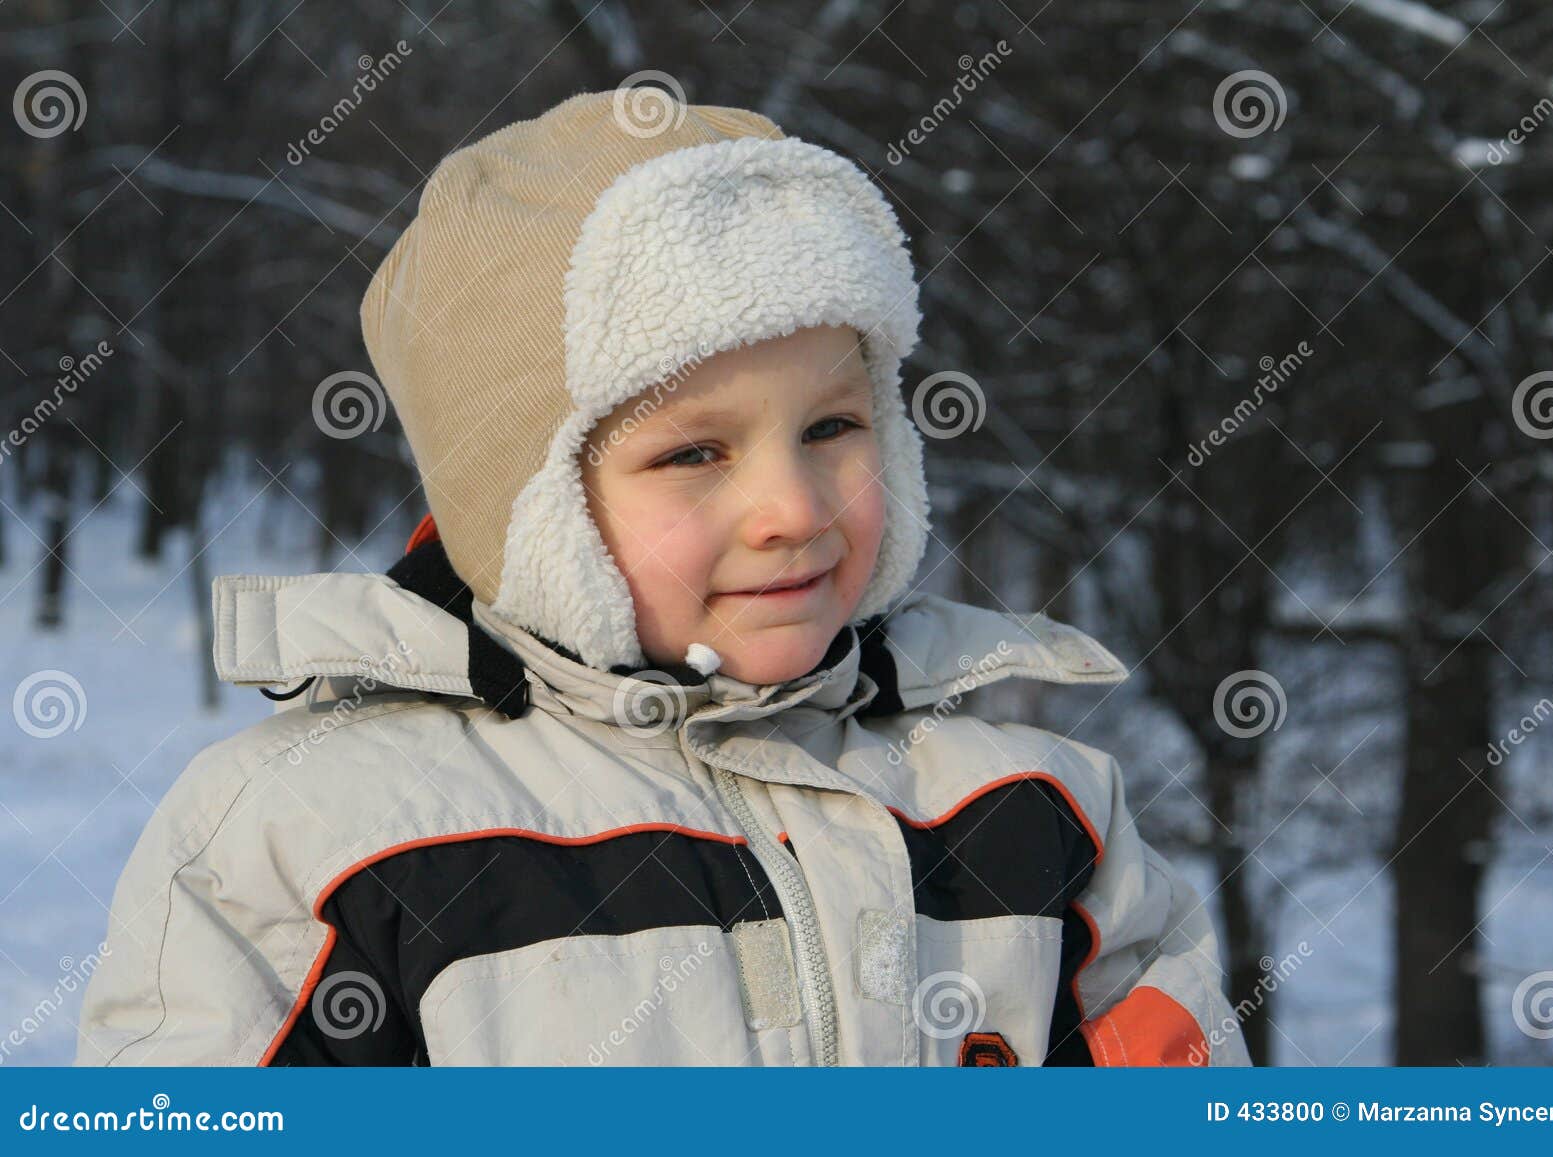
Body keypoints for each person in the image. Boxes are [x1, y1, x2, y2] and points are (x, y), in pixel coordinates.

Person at [75, 88, 1251, 1067]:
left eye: (834, 426)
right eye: (695, 451)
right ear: (525, 507)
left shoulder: (1037, 812)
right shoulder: (319, 839)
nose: (793, 509)